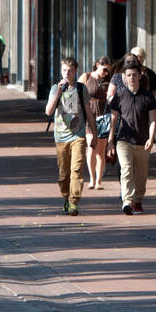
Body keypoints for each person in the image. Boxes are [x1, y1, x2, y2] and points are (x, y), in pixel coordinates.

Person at [106, 56, 156, 216]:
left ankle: (138, 200)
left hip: (143, 141)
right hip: (124, 140)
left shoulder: (148, 97)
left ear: (139, 76)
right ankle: (127, 201)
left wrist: (151, 138)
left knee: (141, 175)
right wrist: (110, 141)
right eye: (128, 75)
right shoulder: (120, 96)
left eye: (134, 75)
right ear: (124, 77)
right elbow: (113, 119)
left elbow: (152, 120)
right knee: (126, 170)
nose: (132, 78)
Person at [45, 57, 96, 216]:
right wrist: (59, 91)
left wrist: (93, 133)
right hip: (61, 137)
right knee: (63, 174)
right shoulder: (55, 88)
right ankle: (66, 197)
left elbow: (88, 112)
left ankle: (74, 202)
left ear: (75, 71)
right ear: (61, 71)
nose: (67, 73)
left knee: (77, 169)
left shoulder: (81, 89)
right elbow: (48, 111)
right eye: (64, 70)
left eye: (70, 70)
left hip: (78, 135)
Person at [79, 56, 113, 190]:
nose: (106, 72)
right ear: (98, 65)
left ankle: (98, 181)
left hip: (103, 116)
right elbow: (77, 91)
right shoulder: (86, 77)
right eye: (104, 69)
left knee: (100, 151)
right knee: (91, 147)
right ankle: (91, 179)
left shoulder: (108, 80)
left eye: (108, 71)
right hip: (89, 115)